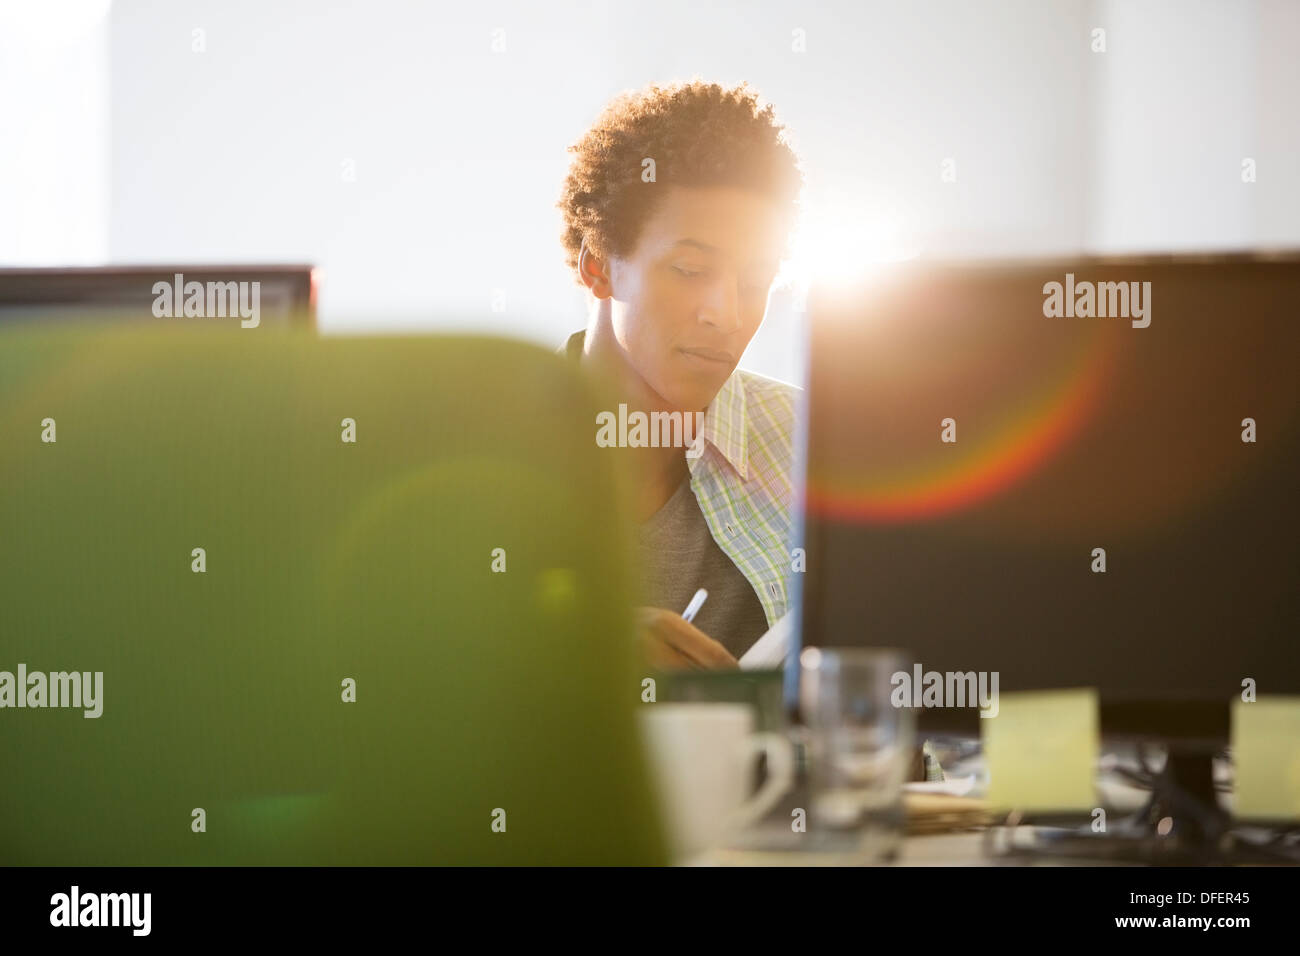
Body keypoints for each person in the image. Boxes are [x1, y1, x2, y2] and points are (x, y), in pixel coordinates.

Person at [555, 78, 804, 671]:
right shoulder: (483, 450)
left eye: (754, 280)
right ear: (599, 268)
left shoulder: (812, 448)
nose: (728, 313)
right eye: (690, 268)